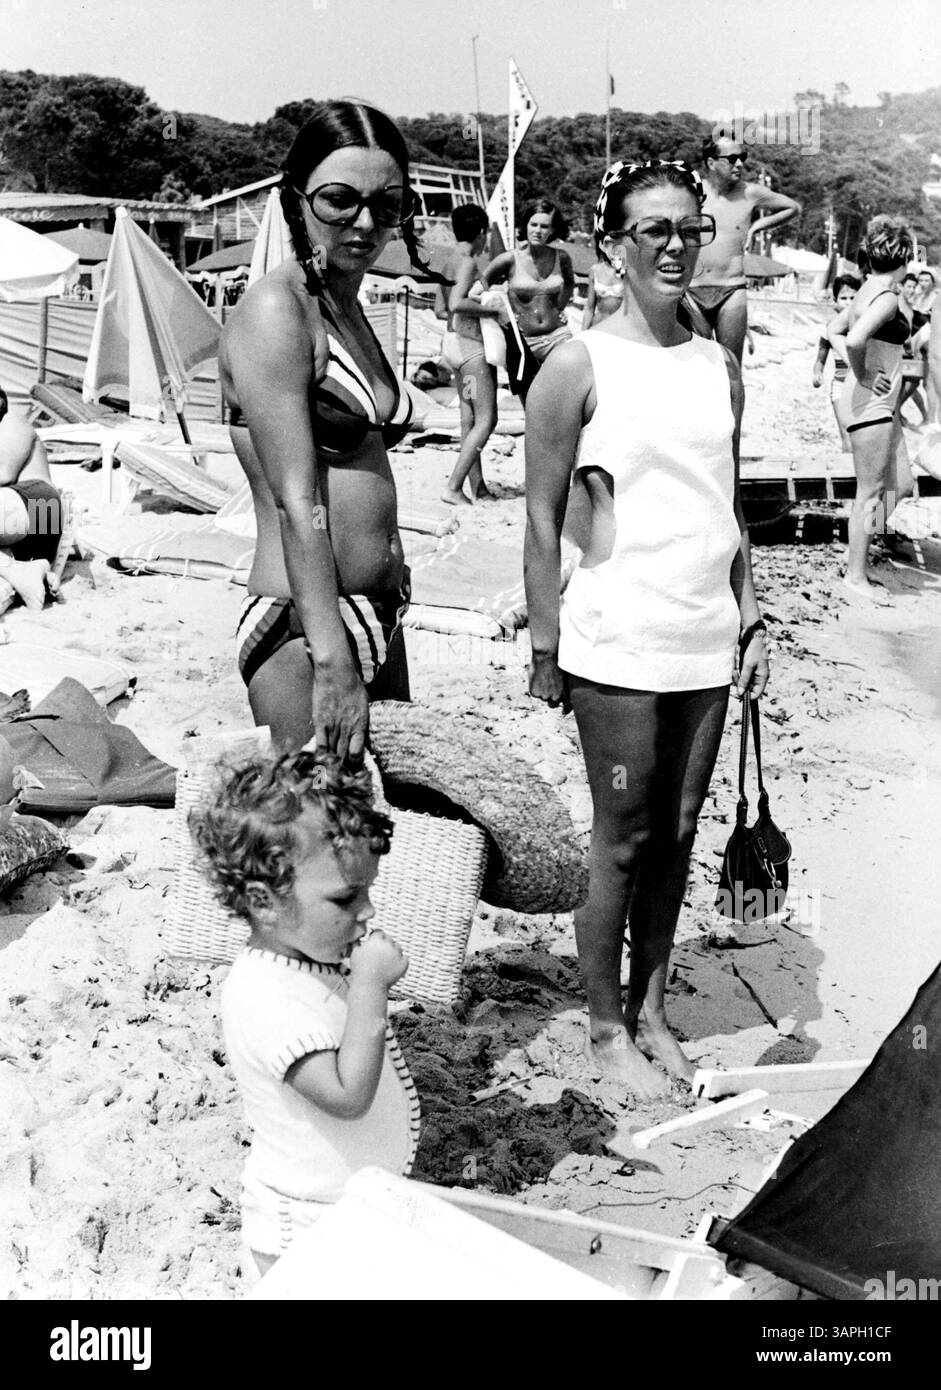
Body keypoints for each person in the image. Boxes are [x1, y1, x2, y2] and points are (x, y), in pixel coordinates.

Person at [524, 158, 769, 1097]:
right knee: (621, 834)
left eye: (688, 227)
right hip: (617, 638)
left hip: (705, 632)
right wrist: (547, 648)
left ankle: (653, 1010)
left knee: (678, 828)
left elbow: (728, 503)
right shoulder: (575, 365)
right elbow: (541, 519)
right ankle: (599, 1028)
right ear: (610, 246)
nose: (674, 245)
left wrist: (751, 616)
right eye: (652, 230)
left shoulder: (718, 366)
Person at [219, 101, 431, 756]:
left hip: (376, 613)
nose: (364, 223)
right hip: (305, 627)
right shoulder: (278, 311)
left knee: (380, 840)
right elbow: (298, 499)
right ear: (295, 197)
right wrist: (335, 659)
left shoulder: (347, 306)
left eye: (386, 205)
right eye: (339, 199)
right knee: (317, 847)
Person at [190, 746, 418, 1281]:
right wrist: (368, 986)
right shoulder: (264, 994)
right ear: (264, 902)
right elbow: (345, 1096)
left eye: (368, 891)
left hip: (349, 1210)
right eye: (345, 899)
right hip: (307, 1226)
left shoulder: (305, 959)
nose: (367, 911)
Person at [832, 216, 915, 599]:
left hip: (881, 402)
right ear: (905, 258)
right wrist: (864, 375)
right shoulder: (886, 297)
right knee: (871, 491)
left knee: (901, 485)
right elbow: (854, 340)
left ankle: (863, 547)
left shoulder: (868, 288)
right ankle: (856, 575)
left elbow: (835, 329)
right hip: (870, 401)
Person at [688, 135, 801, 362]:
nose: (739, 164)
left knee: (731, 367)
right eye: (732, 159)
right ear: (711, 163)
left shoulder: (750, 193)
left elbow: (792, 207)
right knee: (698, 367)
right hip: (692, 290)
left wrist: (757, 226)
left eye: (742, 157)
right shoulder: (692, 192)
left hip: (732, 289)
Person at [438, 203, 501, 505]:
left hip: (451, 345)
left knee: (469, 420)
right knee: (486, 420)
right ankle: (453, 486)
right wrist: (492, 309)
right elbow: (455, 303)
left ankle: (478, 488)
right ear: (480, 232)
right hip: (470, 348)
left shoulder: (448, 261)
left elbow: (440, 309)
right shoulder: (467, 262)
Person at [483, 199, 575, 399]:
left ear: (552, 230)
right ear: (525, 226)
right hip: (523, 342)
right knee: (531, 404)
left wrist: (560, 306)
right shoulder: (509, 259)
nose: (538, 231)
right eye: (534, 224)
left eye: (544, 226)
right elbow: (478, 289)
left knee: (563, 398)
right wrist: (500, 315)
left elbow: (569, 283)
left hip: (557, 336)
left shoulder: (562, 257)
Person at [0, 385, 62, 610]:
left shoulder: (11, 421)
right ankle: (27, 570)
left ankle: (11, 568)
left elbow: (3, 473)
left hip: (41, 506)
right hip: (22, 532)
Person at [812, 274, 861, 450]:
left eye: (853, 298)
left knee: (862, 436)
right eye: (843, 298)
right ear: (835, 300)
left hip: (862, 385)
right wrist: (817, 373)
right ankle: (848, 474)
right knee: (846, 435)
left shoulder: (866, 325)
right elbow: (820, 360)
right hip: (840, 385)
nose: (848, 302)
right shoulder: (829, 328)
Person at [898, 273, 929, 427]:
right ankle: (896, 412)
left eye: (913, 287)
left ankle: (898, 412)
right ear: (900, 286)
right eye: (909, 286)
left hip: (908, 350)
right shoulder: (897, 304)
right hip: (899, 349)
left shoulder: (910, 306)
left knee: (911, 383)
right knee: (912, 382)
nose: (911, 290)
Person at [581, 257, 624, 329]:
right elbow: (589, 308)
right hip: (598, 325)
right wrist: (583, 332)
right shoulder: (595, 270)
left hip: (618, 328)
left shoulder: (629, 272)